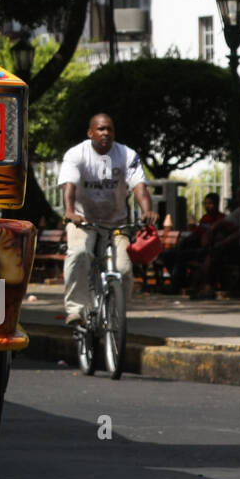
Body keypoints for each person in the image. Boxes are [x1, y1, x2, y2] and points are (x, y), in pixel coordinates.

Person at [58, 113, 156, 329]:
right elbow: (69, 186)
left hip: (117, 224)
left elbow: (139, 187)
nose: (106, 133)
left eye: (110, 129)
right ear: (90, 133)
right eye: (101, 129)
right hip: (83, 221)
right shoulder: (76, 154)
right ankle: (76, 310)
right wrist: (69, 212)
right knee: (80, 254)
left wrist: (148, 211)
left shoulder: (127, 155)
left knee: (123, 270)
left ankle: (115, 312)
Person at [190, 184, 240, 299]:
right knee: (214, 252)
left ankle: (209, 287)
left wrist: (222, 243)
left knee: (219, 252)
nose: (238, 200)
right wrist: (210, 231)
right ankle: (206, 286)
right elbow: (225, 221)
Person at [154, 192, 223, 293]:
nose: (208, 206)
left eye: (211, 203)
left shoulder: (221, 218)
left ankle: (176, 285)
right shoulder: (204, 218)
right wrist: (183, 241)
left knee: (181, 256)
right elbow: (196, 233)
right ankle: (180, 281)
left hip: (206, 250)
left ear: (217, 204)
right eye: (206, 203)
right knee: (168, 254)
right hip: (195, 246)